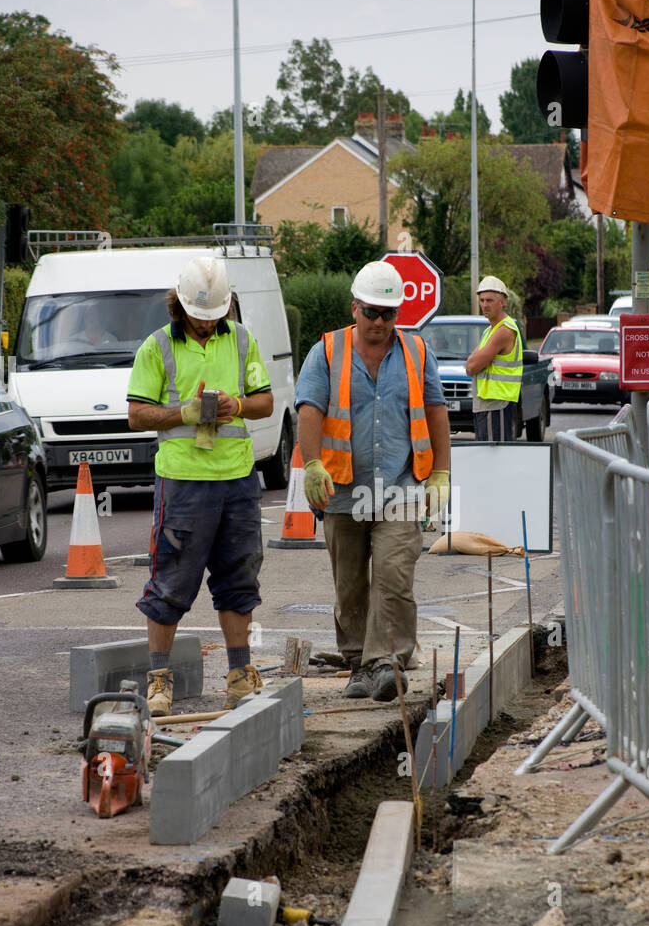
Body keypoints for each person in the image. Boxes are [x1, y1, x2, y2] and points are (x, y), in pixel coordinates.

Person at [294, 260, 451, 702]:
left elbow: (436, 412)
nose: (380, 322)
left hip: (400, 485)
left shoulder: (417, 352)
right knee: (350, 586)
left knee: (393, 574)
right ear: (355, 309)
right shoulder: (327, 351)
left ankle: (387, 662)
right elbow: (309, 409)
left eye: (389, 314)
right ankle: (358, 663)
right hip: (343, 489)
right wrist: (311, 464)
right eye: (371, 313)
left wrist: (441, 472)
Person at [126, 256, 274, 716]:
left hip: (238, 480)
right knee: (171, 580)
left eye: (215, 317)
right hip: (183, 483)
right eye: (200, 316)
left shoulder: (243, 340)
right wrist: (184, 413)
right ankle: (159, 680)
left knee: (239, 577)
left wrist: (239, 405)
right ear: (180, 306)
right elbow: (136, 414)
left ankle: (238, 675)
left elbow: (266, 402)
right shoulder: (157, 347)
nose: (208, 325)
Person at [465, 276, 523, 441]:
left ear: (502, 301)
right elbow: (471, 365)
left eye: (489, 300)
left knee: (495, 457)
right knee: (486, 456)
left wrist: (473, 363)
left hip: (496, 404)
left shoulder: (504, 330)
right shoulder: (490, 331)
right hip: (487, 403)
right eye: (482, 300)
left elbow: (471, 366)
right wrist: (473, 363)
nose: (484, 305)